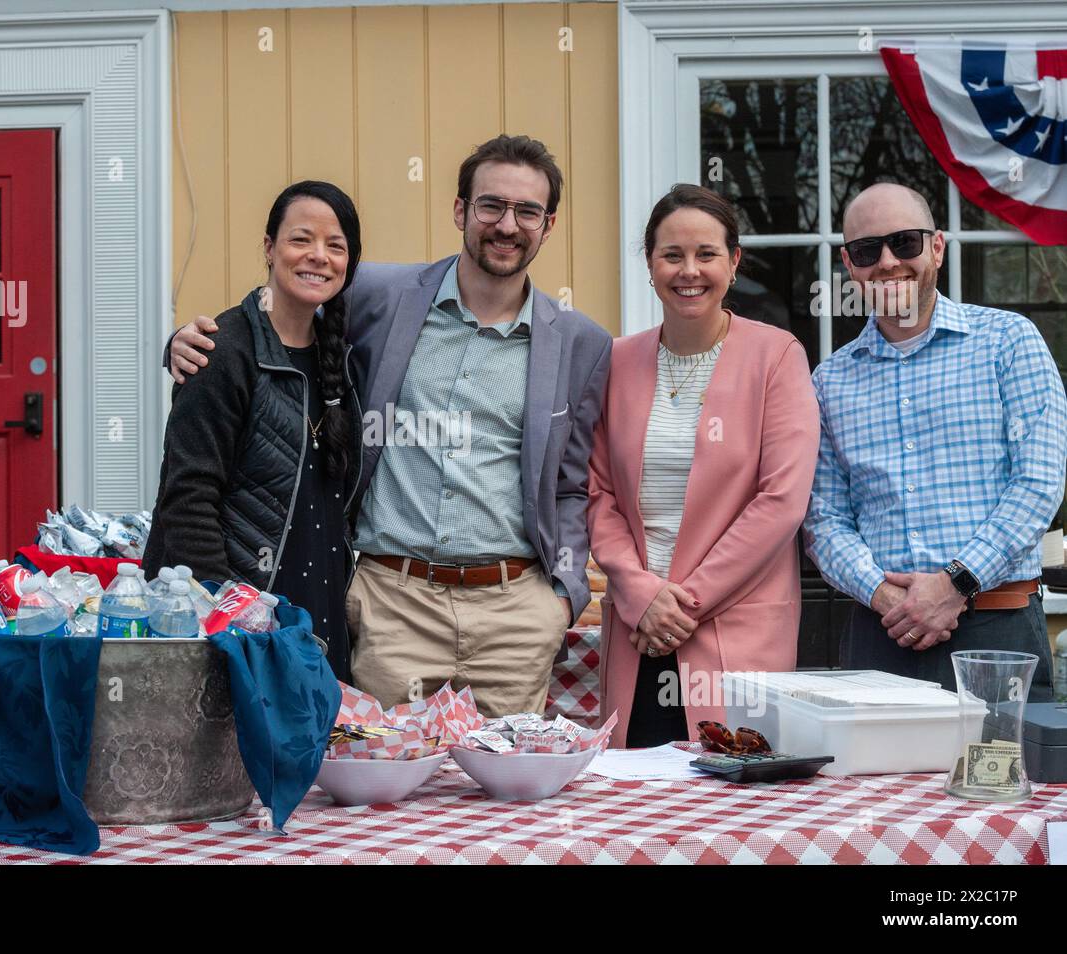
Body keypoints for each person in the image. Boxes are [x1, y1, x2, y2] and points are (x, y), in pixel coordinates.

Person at [167, 135, 612, 716]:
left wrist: (563, 596)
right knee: (388, 794)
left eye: (527, 211)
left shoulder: (581, 343)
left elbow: (571, 485)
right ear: (460, 211)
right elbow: (281, 313)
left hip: (515, 617)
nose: (507, 224)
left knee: (506, 801)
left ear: (547, 225)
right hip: (394, 606)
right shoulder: (382, 295)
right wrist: (190, 345)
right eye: (491, 205)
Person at [803, 182, 1067, 697]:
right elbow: (822, 518)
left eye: (904, 242)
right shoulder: (829, 381)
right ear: (849, 265)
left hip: (998, 630)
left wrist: (955, 585)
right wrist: (883, 596)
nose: (887, 262)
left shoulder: (1008, 342)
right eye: (866, 250)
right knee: (869, 783)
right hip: (879, 635)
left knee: (1000, 779)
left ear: (937, 247)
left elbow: (1038, 484)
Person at [587, 184, 820, 747]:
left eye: (706, 254)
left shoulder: (776, 356)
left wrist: (681, 604)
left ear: (734, 262)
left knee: (735, 808)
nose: (689, 271)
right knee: (635, 805)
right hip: (639, 631)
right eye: (671, 255)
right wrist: (642, 596)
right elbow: (597, 494)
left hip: (734, 629)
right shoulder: (616, 361)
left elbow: (781, 500)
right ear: (649, 264)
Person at [142, 180, 363, 680]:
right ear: (268, 248)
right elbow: (187, 498)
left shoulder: (344, 362)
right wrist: (231, 620)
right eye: (300, 239)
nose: (318, 257)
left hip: (321, 609)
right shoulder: (222, 352)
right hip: (242, 618)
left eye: (336, 246)